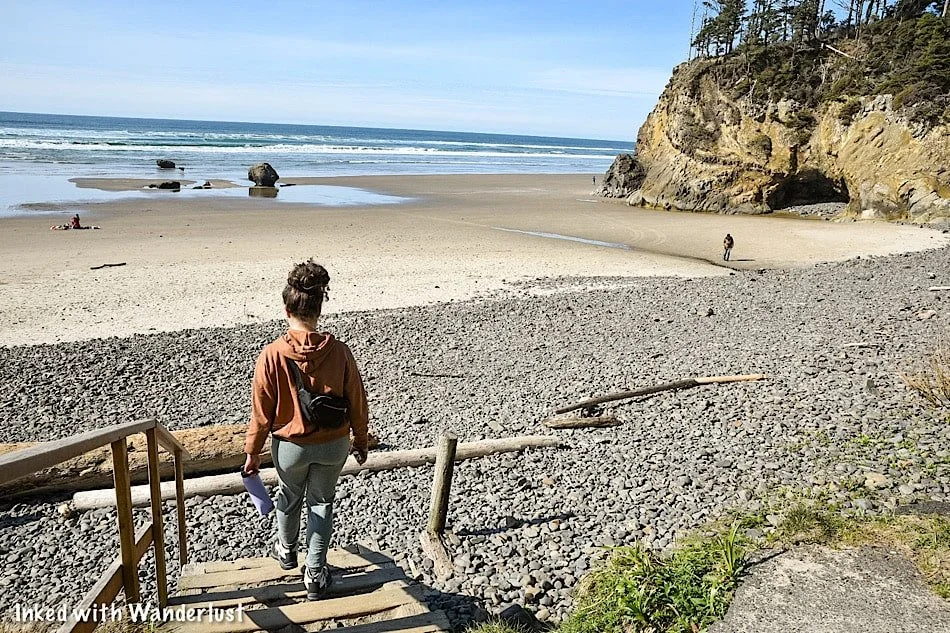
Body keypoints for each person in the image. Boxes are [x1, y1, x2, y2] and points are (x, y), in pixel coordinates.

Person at [243, 259, 369, 601]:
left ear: (287, 309)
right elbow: (357, 399)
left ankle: (286, 551)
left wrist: (252, 452)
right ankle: (315, 573)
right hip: (333, 444)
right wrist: (361, 437)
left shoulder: (271, 355)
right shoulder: (340, 352)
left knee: (289, 495)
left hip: (289, 446)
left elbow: (261, 412)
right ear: (319, 307)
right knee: (322, 503)